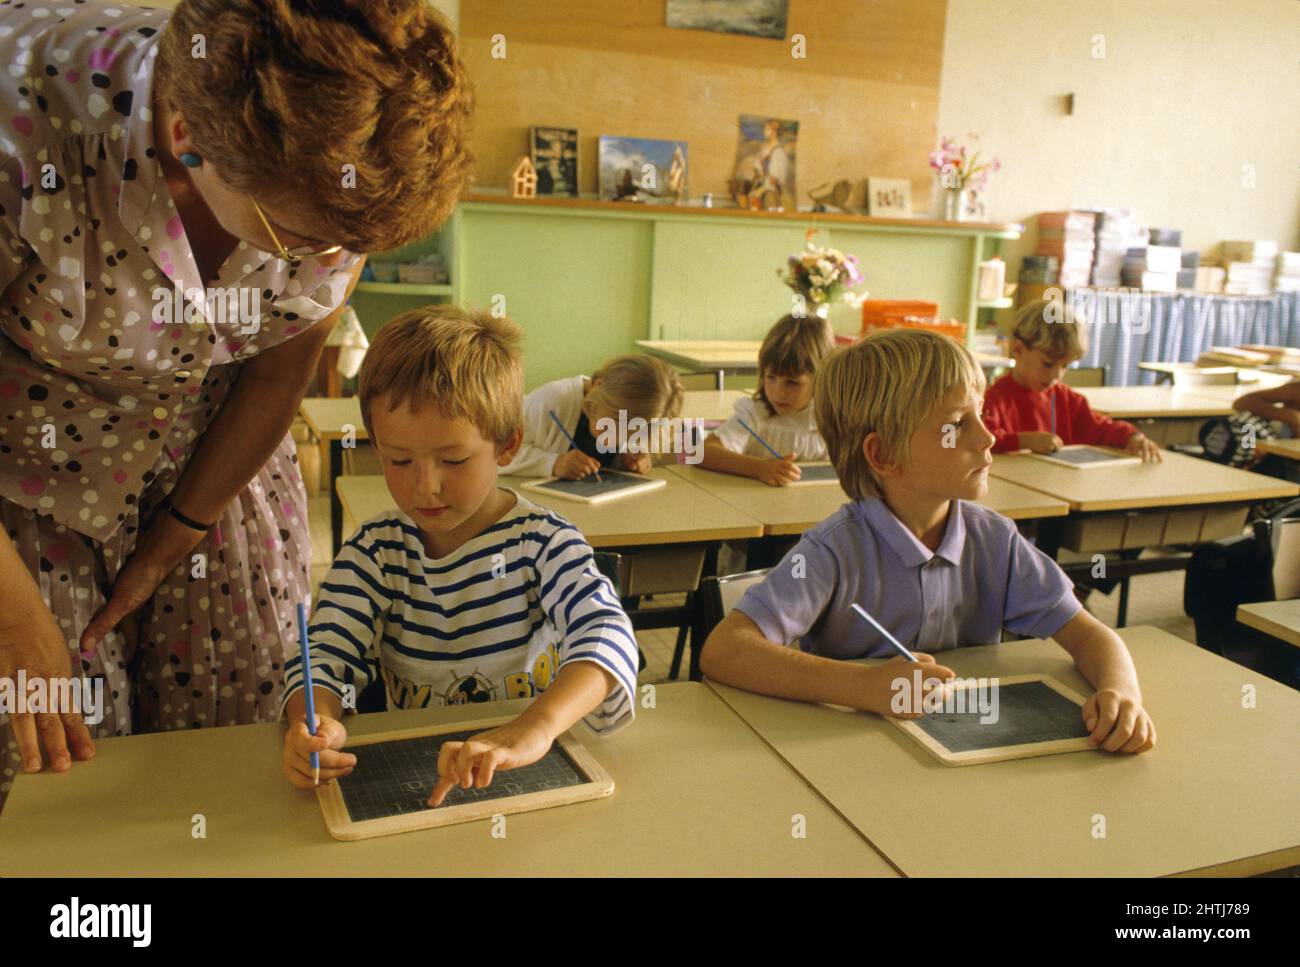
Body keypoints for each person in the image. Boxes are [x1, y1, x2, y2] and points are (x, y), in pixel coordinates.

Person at [0, 0, 473, 809]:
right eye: (299, 239)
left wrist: (173, 537)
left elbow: (271, 380)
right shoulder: (26, 126)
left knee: (245, 733)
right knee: (55, 754)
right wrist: (13, 616)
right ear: (186, 139)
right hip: (30, 458)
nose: (327, 266)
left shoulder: (337, 200)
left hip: (214, 439)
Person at [700, 329, 1157, 755]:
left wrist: (1122, 692)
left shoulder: (995, 538)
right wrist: (863, 686)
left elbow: (1089, 634)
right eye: (958, 424)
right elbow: (725, 651)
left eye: (982, 414)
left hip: (966, 745)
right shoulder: (834, 551)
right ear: (884, 455)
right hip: (849, 752)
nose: (988, 436)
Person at [281, 307, 636, 803]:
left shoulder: (542, 542)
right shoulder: (375, 553)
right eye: (398, 460)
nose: (426, 486)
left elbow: (606, 635)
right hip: (424, 774)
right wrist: (313, 721)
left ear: (507, 445)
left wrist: (534, 727)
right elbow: (324, 654)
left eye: (453, 459)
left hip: (533, 768)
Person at [982, 299, 1161, 461]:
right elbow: (980, 439)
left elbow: (1101, 429)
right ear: (1017, 349)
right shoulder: (994, 398)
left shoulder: (1068, 400)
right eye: (1048, 364)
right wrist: (1022, 441)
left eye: (1064, 366)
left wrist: (1132, 437)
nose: (1056, 375)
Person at [701, 314, 833, 485]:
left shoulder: (828, 419)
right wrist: (759, 468)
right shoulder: (755, 414)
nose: (779, 393)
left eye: (792, 383)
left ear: (820, 378)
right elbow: (702, 452)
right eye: (771, 377)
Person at [501, 355, 683, 479]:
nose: (613, 440)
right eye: (612, 427)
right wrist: (553, 463)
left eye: (629, 435)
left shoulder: (635, 413)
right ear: (598, 386)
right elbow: (495, 453)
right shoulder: (551, 401)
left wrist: (633, 460)